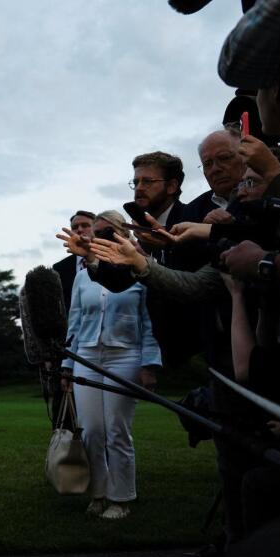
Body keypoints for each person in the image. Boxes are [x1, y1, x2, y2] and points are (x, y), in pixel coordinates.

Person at [61, 210, 161, 520]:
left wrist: (149, 363)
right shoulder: (83, 274)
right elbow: (75, 321)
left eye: (108, 231)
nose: (101, 236)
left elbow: (149, 321)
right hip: (87, 357)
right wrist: (68, 363)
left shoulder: (139, 270)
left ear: (123, 233)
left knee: (117, 429)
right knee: (92, 430)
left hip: (125, 355)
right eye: (98, 231)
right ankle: (99, 493)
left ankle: (121, 498)